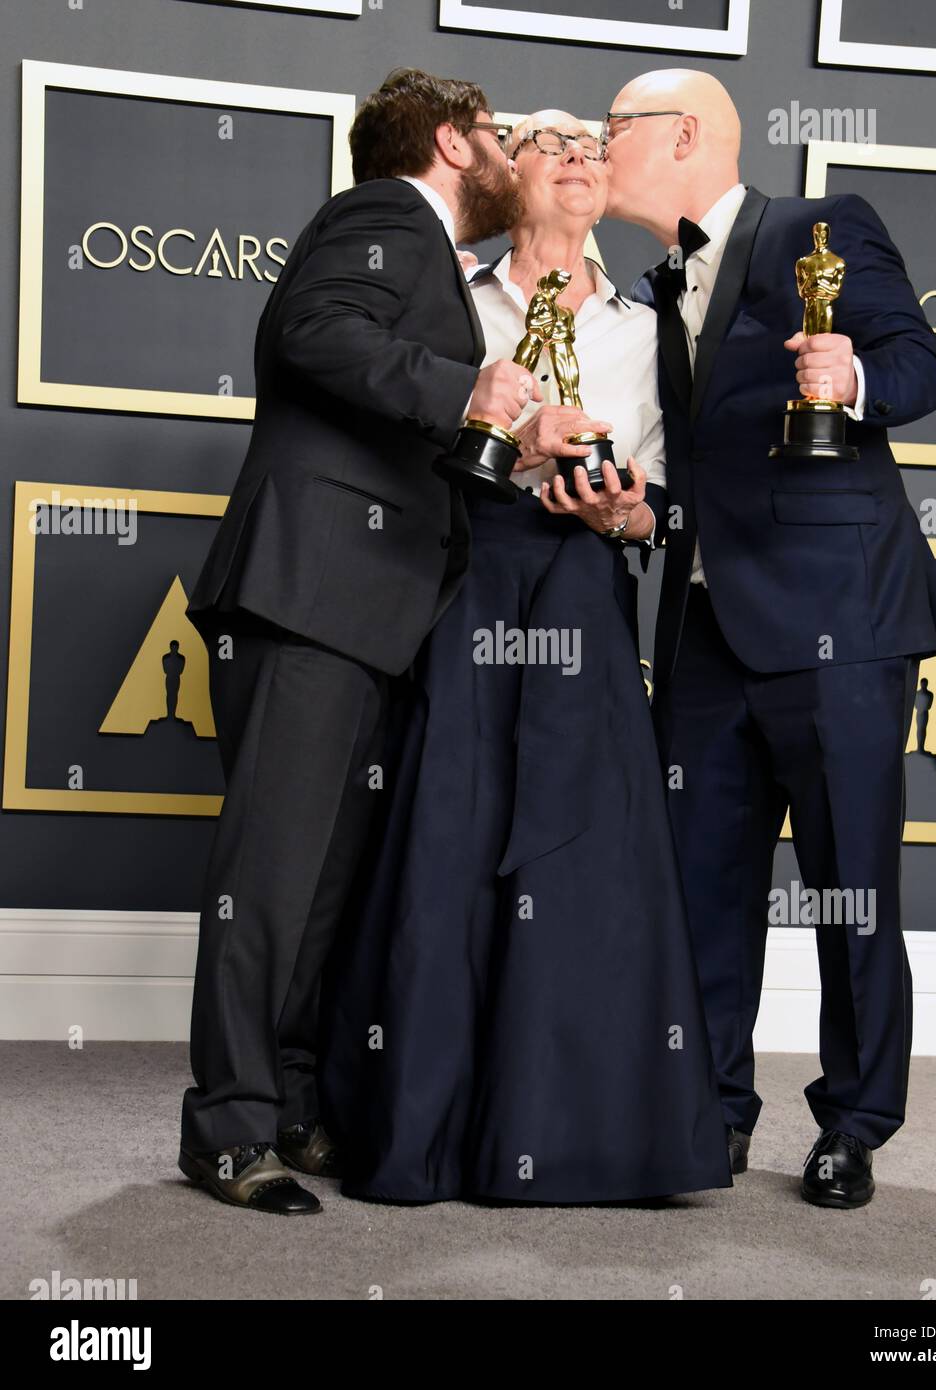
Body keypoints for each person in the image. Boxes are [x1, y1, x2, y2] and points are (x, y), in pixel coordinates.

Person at [319, 111, 732, 1205]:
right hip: (462, 573)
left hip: (583, 584)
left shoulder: (652, 331)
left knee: (573, 845)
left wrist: (629, 519)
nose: (578, 159)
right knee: (445, 829)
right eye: (548, 144)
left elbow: (667, 504)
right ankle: (418, 1129)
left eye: (592, 148)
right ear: (507, 173)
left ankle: (575, 1128)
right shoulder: (452, 297)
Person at [178, 69, 541, 1215]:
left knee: (321, 885)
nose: (510, 158)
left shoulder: (429, 255)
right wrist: (470, 387)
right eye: (497, 136)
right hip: (309, 594)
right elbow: (315, 332)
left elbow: (398, 414)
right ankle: (226, 1133)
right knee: (271, 880)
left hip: (365, 609)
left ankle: (287, 1102)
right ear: (448, 140)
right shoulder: (383, 214)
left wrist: (519, 447)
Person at [602, 69, 936, 1208]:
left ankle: (852, 1123)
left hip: (841, 621)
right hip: (707, 627)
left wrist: (849, 373)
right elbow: (697, 473)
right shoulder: (651, 286)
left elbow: (921, 367)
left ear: (680, 136)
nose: (594, 147)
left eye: (611, 129)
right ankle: (708, 1116)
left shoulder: (821, 227)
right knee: (699, 886)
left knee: (849, 884)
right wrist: (640, 513)